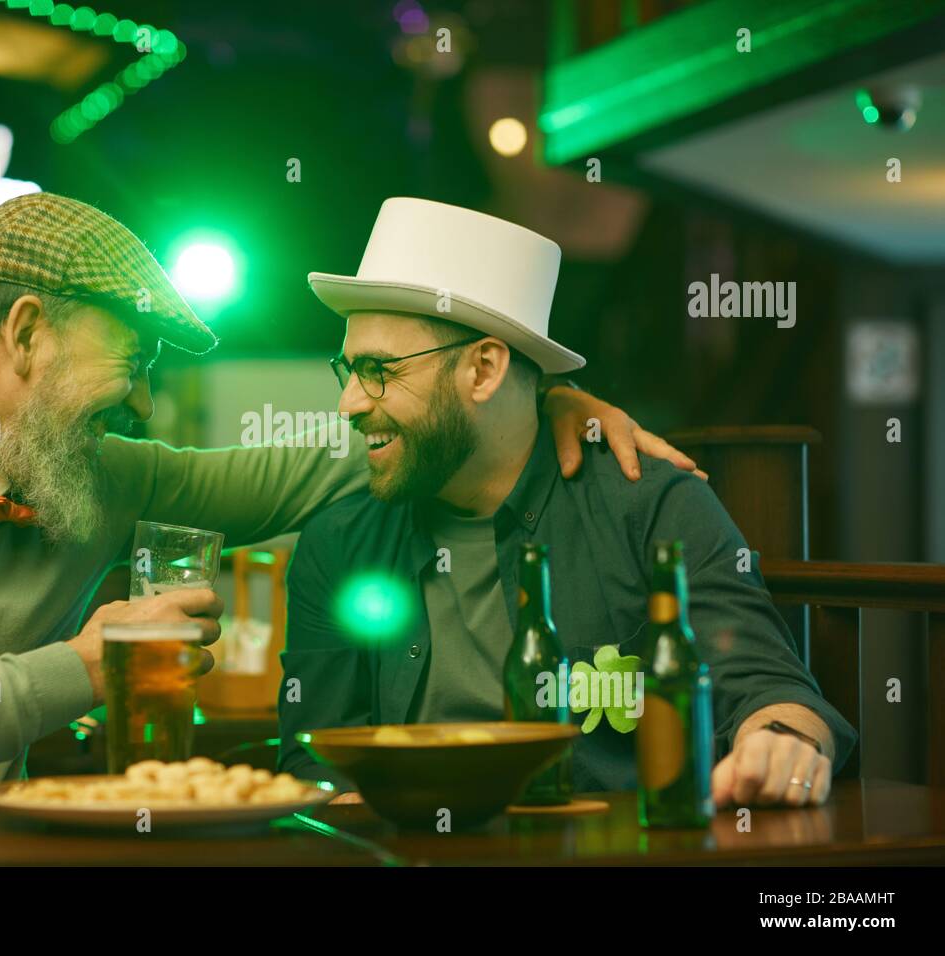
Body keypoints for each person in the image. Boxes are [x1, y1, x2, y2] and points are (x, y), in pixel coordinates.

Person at [0, 192, 693, 795]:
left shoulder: (87, 468)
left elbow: (343, 454)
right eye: (135, 360)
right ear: (26, 332)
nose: (148, 402)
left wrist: (523, 393)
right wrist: (89, 662)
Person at [278, 197, 855, 808]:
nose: (349, 404)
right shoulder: (336, 544)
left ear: (483, 369)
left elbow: (768, 689)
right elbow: (313, 761)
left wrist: (783, 742)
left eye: (380, 370)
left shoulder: (653, 505)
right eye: (349, 369)